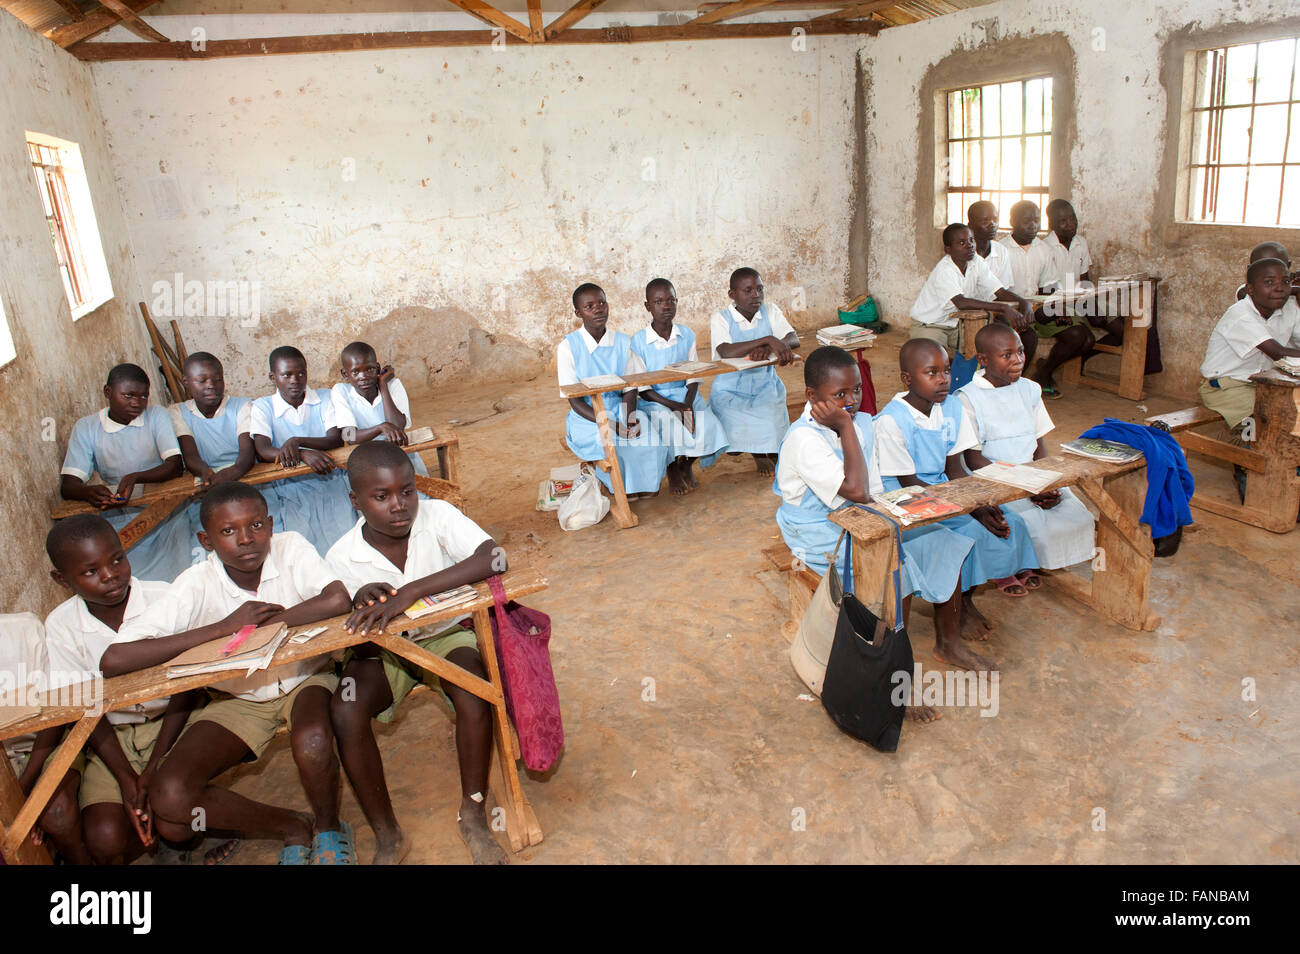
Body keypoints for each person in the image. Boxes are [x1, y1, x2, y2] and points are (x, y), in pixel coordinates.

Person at [102, 482, 355, 865]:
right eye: (227, 531)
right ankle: (291, 826)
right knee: (170, 794)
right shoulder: (195, 584)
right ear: (206, 540)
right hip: (239, 698)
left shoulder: (290, 548)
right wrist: (224, 628)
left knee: (314, 739)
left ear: (270, 524)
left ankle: (328, 827)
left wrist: (261, 629)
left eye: (256, 525)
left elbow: (337, 598)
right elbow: (114, 659)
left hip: (307, 679)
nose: (246, 539)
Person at [326, 442, 507, 866]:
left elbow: (495, 557)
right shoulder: (341, 555)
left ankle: (474, 813)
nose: (399, 505)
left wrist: (411, 591)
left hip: (445, 635)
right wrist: (354, 596)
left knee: (475, 693)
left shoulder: (438, 516)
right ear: (356, 500)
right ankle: (387, 834)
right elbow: (332, 612)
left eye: (407, 491)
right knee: (346, 710)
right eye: (381, 496)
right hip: (385, 652)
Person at [774, 345, 985, 685]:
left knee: (943, 543)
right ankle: (889, 673)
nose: (851, 401)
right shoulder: (804, 439)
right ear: (812, 396)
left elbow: (870, 492)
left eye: (856, 389)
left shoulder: (862, 425)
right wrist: (845, 427)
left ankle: (950, 643)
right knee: (888, 570)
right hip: (816, 531)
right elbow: (855, 490)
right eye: (839, 394)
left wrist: (904, 511)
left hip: (861, 516)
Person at [43, 515, 203, 865]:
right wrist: (128, 779)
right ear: (61, 579)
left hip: (173, 721)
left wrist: (153, 765)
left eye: (117, 559)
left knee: (175, 811)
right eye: (90, 571)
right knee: (104, 840)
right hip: (110, 739)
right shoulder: (61, 625)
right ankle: (158, 829)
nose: (111, 575)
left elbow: (187, 689)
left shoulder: (165, 597)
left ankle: (177, 828)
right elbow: (83, 708)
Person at [874, 339, 1038, 669]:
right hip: (902, 504)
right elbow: (909, 485)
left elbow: (955, 469)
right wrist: (969, 508)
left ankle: (964, 601)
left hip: (941, 494)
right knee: (949, 541)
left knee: (1007, 523)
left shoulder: (951, 407)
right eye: (931, 373)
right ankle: (949, 641)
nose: (943, 379)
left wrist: (978, 504)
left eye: (946, 371)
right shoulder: (891, 421)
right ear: (907, 379)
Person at [959, 323, 1096, 570]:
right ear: (983, 360)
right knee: (1023, 522)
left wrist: (1045, 482)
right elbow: (974, 460)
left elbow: (1039, 444)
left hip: (1031, 475)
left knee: (1077, 514)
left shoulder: (1030, 389)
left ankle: (1040, 563)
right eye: (1006, 355)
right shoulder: (968, 398)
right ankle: (1017, 567)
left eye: (1021, 351)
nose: (1018, 360)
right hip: (994, 478)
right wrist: (1025, 484)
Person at [59, 363, 191, 581]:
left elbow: (175, 466)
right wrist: (89, 493)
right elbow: (69, 486)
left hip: (167, 506)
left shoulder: (156, 415)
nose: (136, 403)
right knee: (129, 569)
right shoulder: (87, 428)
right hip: (120, 510)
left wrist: (136, 477)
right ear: (108, 393)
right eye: (128, 395)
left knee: (179, 563)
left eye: (143, 396)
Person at [558, 283, 670, 498]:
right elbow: (575, 402)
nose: (598, 309)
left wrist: (628, 419)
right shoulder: (568, 347)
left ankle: (641, 486)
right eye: (589, 306)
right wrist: (609, 423)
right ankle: (619, 488)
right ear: (578, 313)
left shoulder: (622, 342)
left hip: (620, 410)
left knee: (649, 439)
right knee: (611, 444)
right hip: (588, 417)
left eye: (602, 303)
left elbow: (630, 388)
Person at [2, 611, 92, 864]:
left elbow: (57, 708)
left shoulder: (22, 629)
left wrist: (25, 792)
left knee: (56, 811)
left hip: (45, 746)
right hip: (3, 763)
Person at [249, 346, 356, 554]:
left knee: (344, 540)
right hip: (288, 487)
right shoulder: (263, 406)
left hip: (328, 479)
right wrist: (302, 454)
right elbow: (262, 450)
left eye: (301, 373)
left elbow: (334, 439)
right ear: (273, 377)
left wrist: (296, 441)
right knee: (302, 545)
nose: (295, 380)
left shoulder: (325, 397)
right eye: (286, 375)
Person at [631, 278, 729, 495]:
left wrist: (686, 402)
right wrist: (673, 405)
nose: (666, 306)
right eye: (658, 301)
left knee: (707, 424)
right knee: (668, 424)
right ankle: (672, 467)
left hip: (685, 395)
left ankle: (686, 464)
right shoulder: (637, 342)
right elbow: (642, 388)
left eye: (671, 300)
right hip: (655, 399)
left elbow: (693, 376)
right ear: (647, 306)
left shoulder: (686, 335)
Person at [709, 267, 800, 476]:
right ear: (733, 295)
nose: (755, 295)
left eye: (760, 289)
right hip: (730, 386)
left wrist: (768, 349)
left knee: (770, 416)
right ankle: (758, 455)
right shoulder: (721, 318)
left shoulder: (770, 310)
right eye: (748, 290)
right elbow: (725, 350)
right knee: (734, 420)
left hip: (764, 384)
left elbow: (792, 338)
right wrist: (767, 340)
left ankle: (771, 451)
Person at [170, 352, 256, 563]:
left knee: (252, 536)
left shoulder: (242, 406)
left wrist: (233, 473)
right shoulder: (177, 412)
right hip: (206, 485)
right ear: (186, 382)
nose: (211, 385)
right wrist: (207, 475)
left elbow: (247, 453)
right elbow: (190, 455)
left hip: (243, 478)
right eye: (202, 380)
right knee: (209, 548)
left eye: (218, 379)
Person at [1199, 257, 1300, 430]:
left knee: (1290, 413)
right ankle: (1250, 448)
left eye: (1285, 282)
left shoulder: (1289, 308)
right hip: (1227, 388)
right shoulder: (1240, 315)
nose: (1279, 288)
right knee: (1272, 419)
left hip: (1263, 384)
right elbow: (1278, 352)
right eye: (1269, 282)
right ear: (1250, 289)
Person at [910, 223, 1035, 360]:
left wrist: (1024, 303)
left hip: (956, 325)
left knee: (986, 348)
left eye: (971, 240)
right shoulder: (945, 270)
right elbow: (961, 302)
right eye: (961, 243)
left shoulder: (976, 261)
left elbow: (999, 291)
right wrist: (1003, 307)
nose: (969, 245)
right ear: (948, 249)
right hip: (930, 325)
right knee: (936, 360)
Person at [968, 200, 1013, 288]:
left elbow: (1003, 289)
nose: (993, 225)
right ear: (971, 226)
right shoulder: (963, 252)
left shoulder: (1001, 251)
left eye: (995, 220)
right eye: (985, 221)